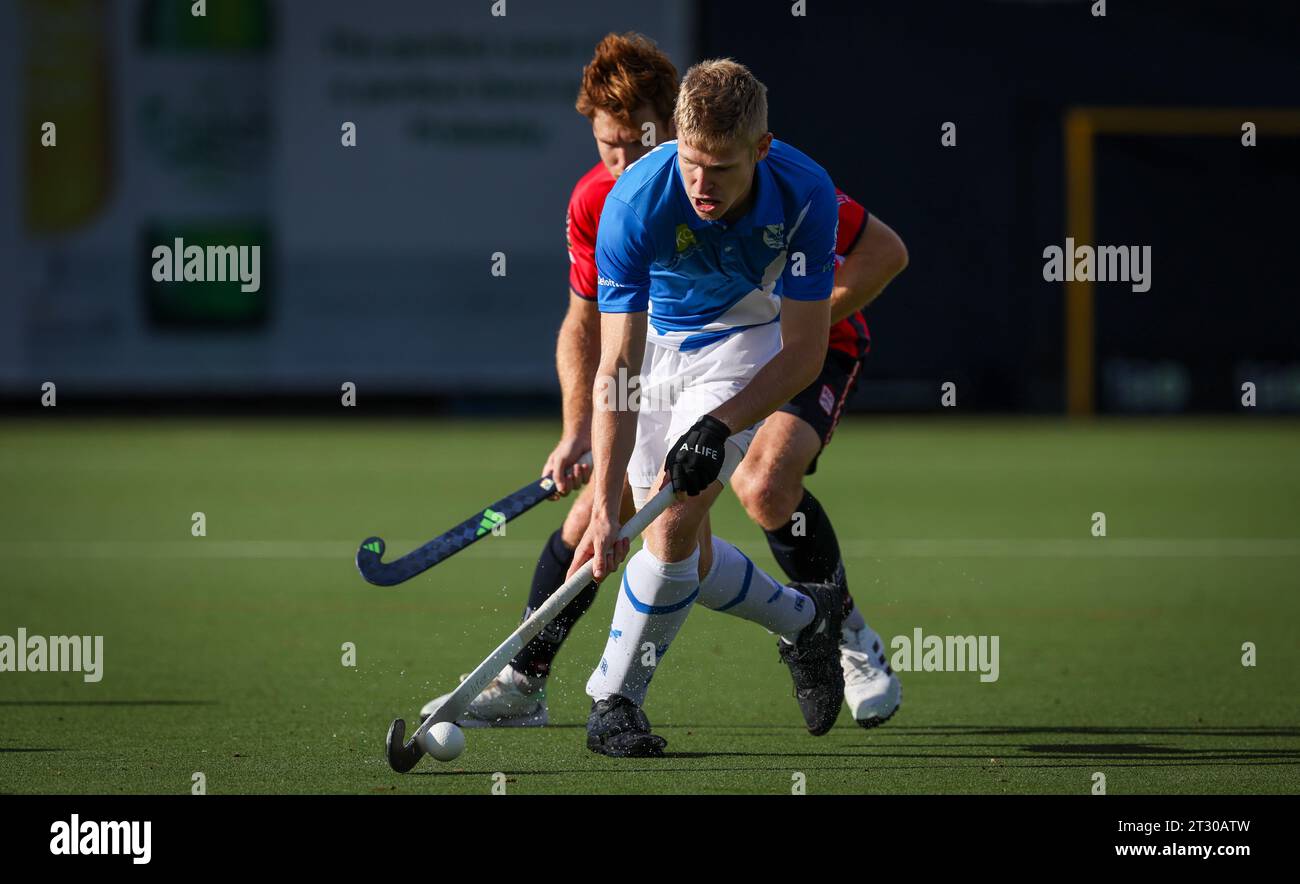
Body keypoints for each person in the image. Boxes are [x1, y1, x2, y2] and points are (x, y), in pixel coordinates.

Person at [426, 35, 907, 736]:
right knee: (664, 543)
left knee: (676, 518)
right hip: (660, 345)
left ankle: (614, 702)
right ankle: (803, 619)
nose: (702, 186)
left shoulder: (803, 192)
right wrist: (602, 493)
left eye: (721, 167)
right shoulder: (633, 202)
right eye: (689, 163)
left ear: (761, 149)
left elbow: (804, 352)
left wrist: (717, 426)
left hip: (752, 336)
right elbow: (617, 364)